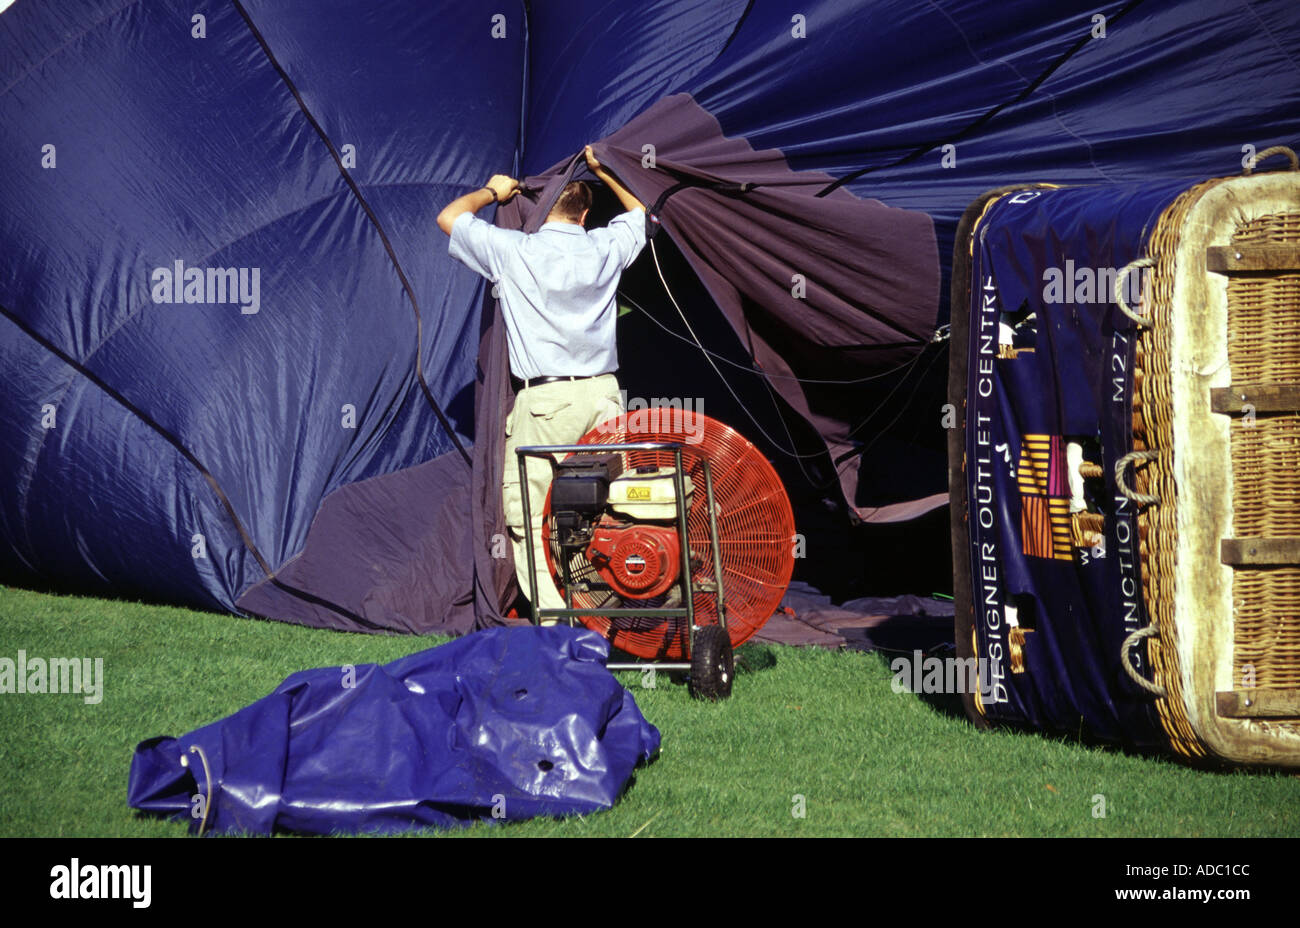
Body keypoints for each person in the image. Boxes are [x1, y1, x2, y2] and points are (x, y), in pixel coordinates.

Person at [438, 145, 647, 622]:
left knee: (530, 517)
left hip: (545, 401)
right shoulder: (603, 248)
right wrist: (606, 171)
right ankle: (619, 606)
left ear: (537, 209)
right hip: (603, 398)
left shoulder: (515, 250)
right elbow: (641, 213)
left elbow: (449, 217)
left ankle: (559, 624)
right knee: (611, 507)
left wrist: (493, 191)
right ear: (587, 212)